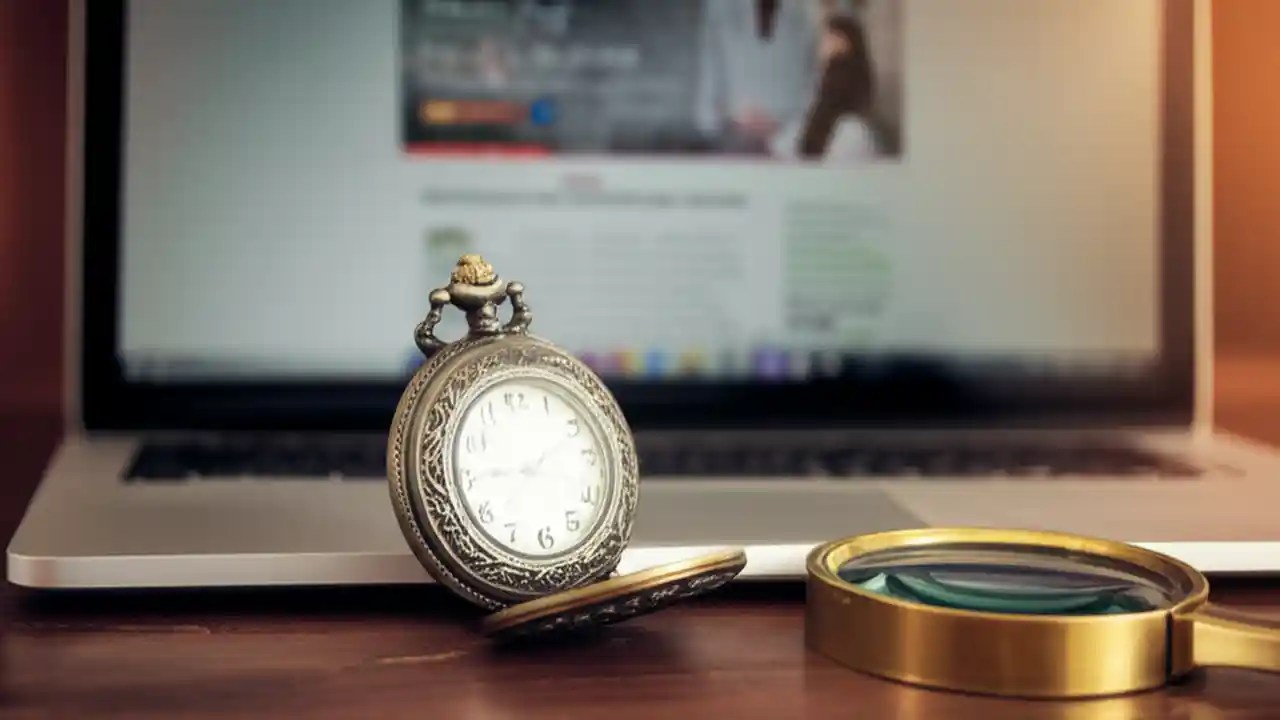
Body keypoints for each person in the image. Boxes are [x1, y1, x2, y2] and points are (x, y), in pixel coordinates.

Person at [695, 0, 826, 154]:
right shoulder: (721, 8)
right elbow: (709, 68)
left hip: (788, 137)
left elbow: (812, 79)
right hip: (732, 133)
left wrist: (789, 129)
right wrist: (719, 119)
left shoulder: (806, 12)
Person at [770, 14, 879, 163]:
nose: (823, 44)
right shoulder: (815, 86)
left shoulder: (852, 130)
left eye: (830, 37)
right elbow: (788, 141)